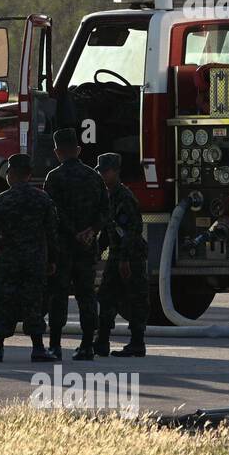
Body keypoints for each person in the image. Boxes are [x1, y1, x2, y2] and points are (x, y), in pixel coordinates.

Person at [0, 154, 59, 362]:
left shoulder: (2, 200)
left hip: (8, 262)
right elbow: (52, 233)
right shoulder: (42, 199)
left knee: (5, 304)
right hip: (34, 261)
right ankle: (37, 348)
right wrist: (52, 260)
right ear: (29, 174)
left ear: (11, 175)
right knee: (33, 304)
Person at [44, 128, 108, 361]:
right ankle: (87, 345)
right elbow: (105, 211)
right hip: (87, 247)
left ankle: (55, 345)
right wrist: (91, 231)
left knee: (58, 296)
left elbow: (52, 213)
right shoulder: (94, 176)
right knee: (87, 296)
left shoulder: (54, 177)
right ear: (78, 150)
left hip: (63, 248)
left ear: (57, 152)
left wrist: (73, 233)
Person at [96, 152, 150, 357]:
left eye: (106, 171)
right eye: (100, 171)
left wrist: (125, 259)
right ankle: (101, 341)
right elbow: (107, 227)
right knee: (106, 296)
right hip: (117, 254)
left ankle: (137, 342)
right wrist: (98, 250)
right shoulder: (107, 195)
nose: (102, 175)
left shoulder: (124, 197)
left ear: (116, 172)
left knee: (136, 298)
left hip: (131, 255)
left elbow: (132, 231)